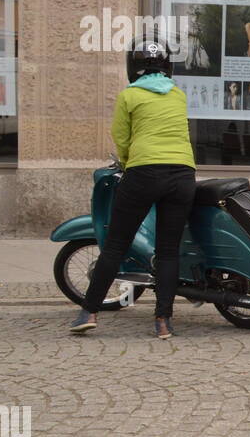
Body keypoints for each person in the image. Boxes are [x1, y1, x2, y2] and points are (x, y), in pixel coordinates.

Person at [70, 38, 196, 340]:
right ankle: (163, 321)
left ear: (133, 68)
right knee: (168, 251)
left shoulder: (129, 96)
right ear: (167, 66)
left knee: (115, 245)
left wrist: (128, 163)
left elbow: (121, 137)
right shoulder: (178, 95)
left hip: (144, 173)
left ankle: (88, 312)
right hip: (182, 175)